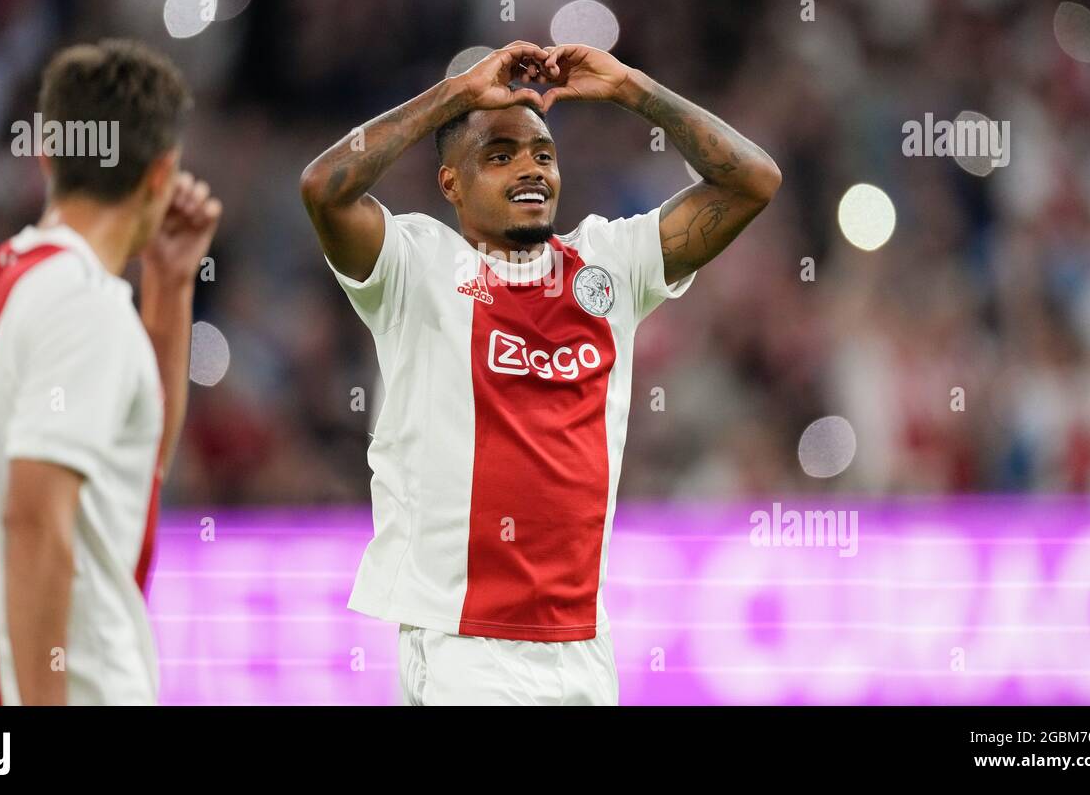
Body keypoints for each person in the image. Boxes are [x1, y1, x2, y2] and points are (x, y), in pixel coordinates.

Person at [300, 40, 781, 704]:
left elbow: (753, 181)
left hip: (584, 644)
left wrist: (633, 88)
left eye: (543, 155)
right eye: (500, 156)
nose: (530, 169)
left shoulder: (612, 264)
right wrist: (458, 95)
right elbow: (324, 188)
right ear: (451, 183)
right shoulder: (417, 267)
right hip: (465, 645)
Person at [0, 39, 221, 705]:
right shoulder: (82, 304)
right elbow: (35, 519)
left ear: (47, 156)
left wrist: (169, 289)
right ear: (162, 172)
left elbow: (133, 460)